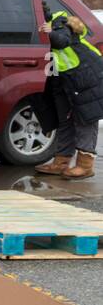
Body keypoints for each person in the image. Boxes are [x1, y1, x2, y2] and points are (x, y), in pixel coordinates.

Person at [35, 10, 103, 179]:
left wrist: (49, 32)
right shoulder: (50, 23)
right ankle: (61, 162)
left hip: (85, 77)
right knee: (65, 120)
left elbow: (62, 41)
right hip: (65, 79)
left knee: (86, 119)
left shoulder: (60, 22)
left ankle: (85, 165)